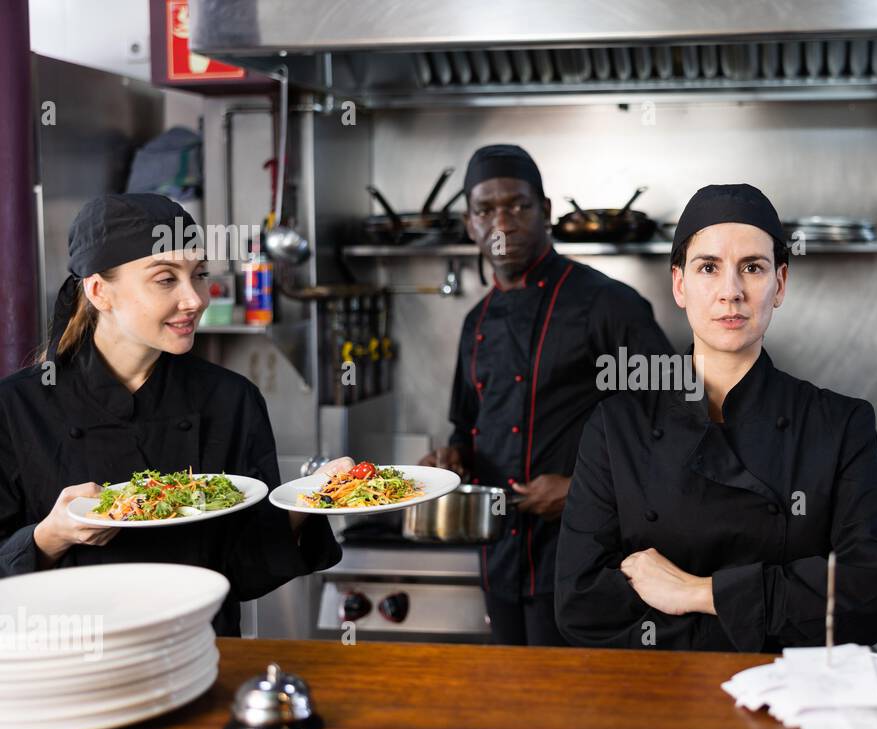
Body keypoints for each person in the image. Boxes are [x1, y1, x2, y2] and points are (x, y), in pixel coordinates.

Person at [555, 183, 877, 651]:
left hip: (787, 703)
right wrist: (766, 610)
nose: (731, 292)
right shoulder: (616, 427)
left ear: (779, 284)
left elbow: (869, 591)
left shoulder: (839, 425)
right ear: (679, 285)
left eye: (753, 268)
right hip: (659, 698)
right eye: (708, 268)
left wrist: (698, 593)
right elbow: (580, 605)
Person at [0, 193, 351, 635]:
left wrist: (306, 502)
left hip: (199, 655)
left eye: (199, 275)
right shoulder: (17, 409)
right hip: (74, 668)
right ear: (98, 291)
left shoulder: (230, 400)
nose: (195, 299)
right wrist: (49, 536)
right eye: (166, 279)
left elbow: (241, 571)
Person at [419, 145, 674, 645]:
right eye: (486, 210)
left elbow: (673, 428)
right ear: (470, 225)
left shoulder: (609, 305)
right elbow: (466, 426)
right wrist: (452, 458)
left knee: (580, 713)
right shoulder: (476, 323)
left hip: (589, 564)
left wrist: (581, 488)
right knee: (515, 705)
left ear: (546, 212)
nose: (503, 223)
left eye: (518, 206)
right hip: (499, 562)